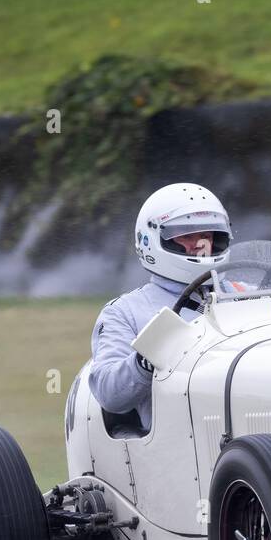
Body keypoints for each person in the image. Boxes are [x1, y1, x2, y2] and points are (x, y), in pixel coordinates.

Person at [88, 184, 232, 430]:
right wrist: (146, 359)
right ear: (151, 240)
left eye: (207, 235)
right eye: (187, 236)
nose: (200, 245)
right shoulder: (125, 312)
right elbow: (109, 393)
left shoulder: (248, 292)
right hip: (180, 441)